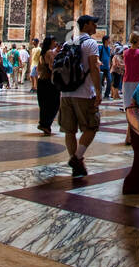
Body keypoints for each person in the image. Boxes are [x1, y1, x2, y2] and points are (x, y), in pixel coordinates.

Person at [56, 15, 101, 178]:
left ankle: (76, 165)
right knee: (92, 126)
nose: (96, 26)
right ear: (87, 25)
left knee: (70, 130)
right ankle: (77, 158)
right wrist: (99, 91)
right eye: (93, 23)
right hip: (84, 92)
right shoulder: (90, 43)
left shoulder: (69, 42)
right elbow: (94, 68)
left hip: (66, 92)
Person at [35, 35, 60, 135]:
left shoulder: (42, 52)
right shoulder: (49, 52)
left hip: (41, 81)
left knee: (44, 105)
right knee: (55, 104)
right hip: (49, 82)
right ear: (51, 42)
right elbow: (52, 67)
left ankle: (45, 125)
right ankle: (45, 125)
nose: (56, 43)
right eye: (54, 42)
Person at [121, 33, 139, 108]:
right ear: (138, 40)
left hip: (127, 80)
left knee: (128, 104)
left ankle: (129, 119)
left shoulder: (125, 53)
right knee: (138, 104)